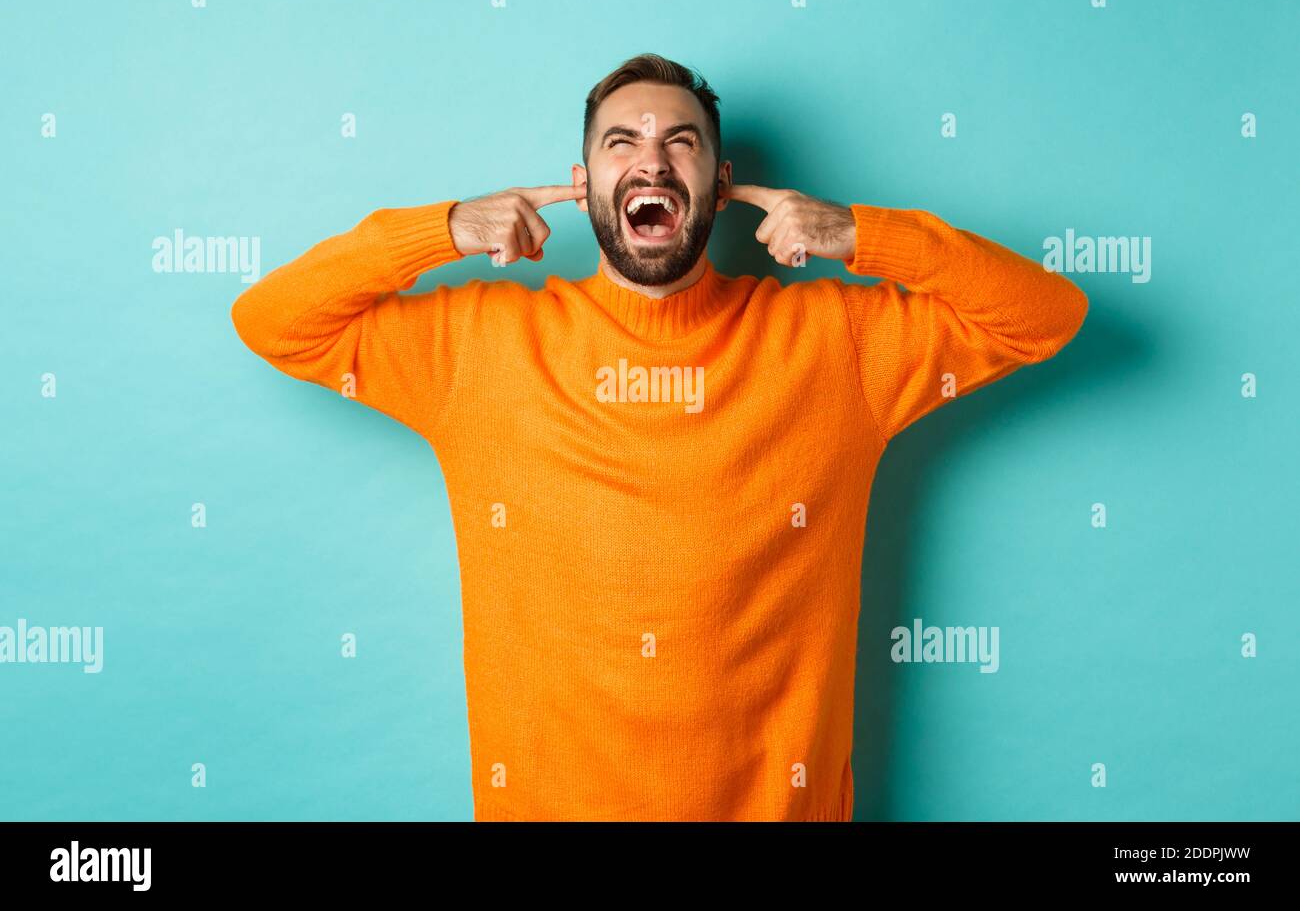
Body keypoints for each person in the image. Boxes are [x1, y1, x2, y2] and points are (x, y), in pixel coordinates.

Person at [230, 52, 1088, 821]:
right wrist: (446, 227)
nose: (651, 158)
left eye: (681, 143)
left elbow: (1046, 315)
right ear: (583, 183)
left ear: (719, 186)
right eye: (621, 143)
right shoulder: (479, 349)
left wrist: (862, 235)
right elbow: (273, 322)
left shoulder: (839, 345)